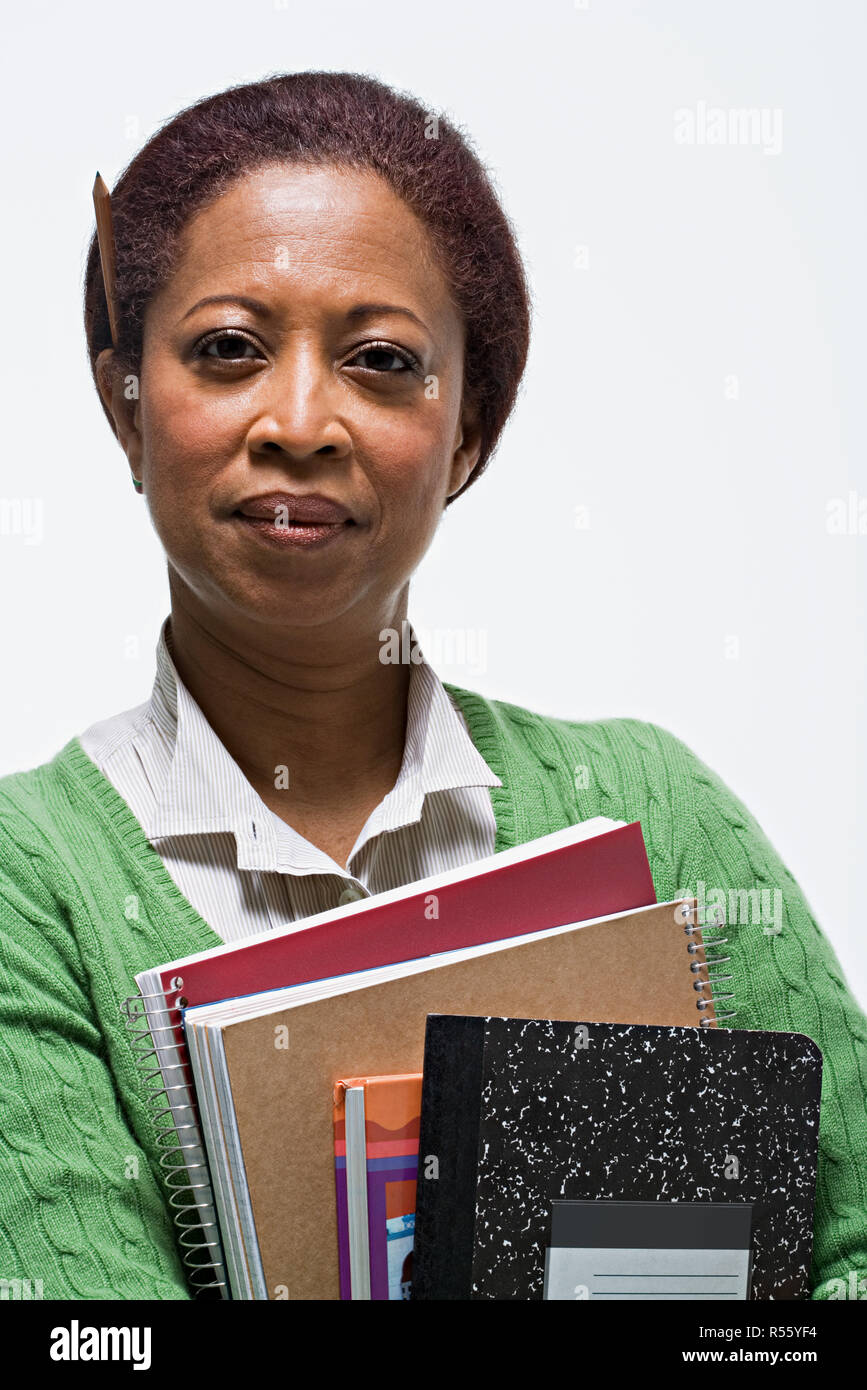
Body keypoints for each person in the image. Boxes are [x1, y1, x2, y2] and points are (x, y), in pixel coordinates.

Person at [0, 70, 864, 1302]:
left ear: (467, 432)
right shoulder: (27, 887)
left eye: (382, 360)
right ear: (123, 402)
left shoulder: (652, 811)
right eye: (229, 349)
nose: (301, 421)